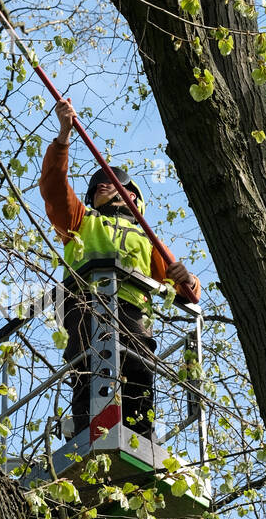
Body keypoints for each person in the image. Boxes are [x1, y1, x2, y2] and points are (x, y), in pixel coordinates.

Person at [39, 97, 201, 440]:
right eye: (97, 184)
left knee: (137, 367)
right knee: (87, 365)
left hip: (130, 311)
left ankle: (141, 433)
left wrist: (190, 280)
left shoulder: (146, 239)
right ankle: (86, 430)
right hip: (85, 306)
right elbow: (54, 190)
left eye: (112, 181)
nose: (101, 185)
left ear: (132, 196)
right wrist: (64, 137)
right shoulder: (81, 222)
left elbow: (181, 287)